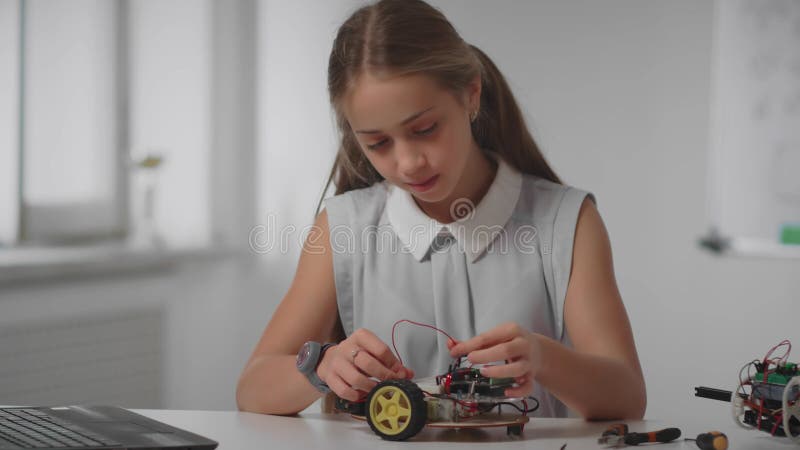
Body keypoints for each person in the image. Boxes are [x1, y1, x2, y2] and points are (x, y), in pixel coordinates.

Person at [237, 0, 646, 419]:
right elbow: (253, 388)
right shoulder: (344, 228)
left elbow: (627, 396)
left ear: (471, 94)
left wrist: (545, 359)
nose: (409, 162)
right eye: (378, 143)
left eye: (425, 129)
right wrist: (320, 368)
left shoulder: (566, 222)